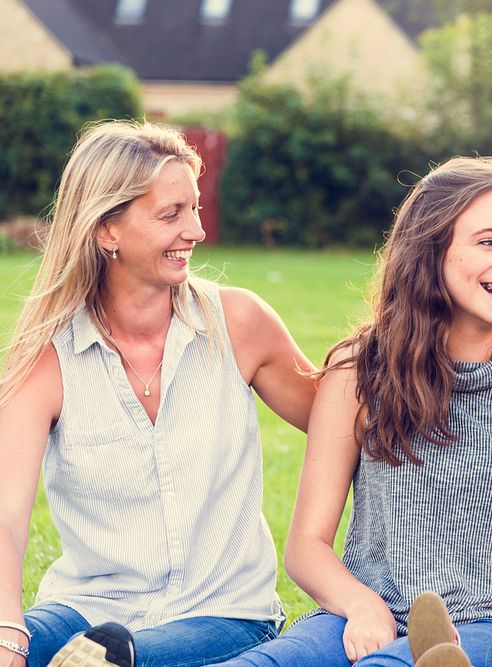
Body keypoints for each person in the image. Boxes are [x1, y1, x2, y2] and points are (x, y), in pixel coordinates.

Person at [211, 156, 492, 667]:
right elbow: (307, 546)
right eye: (489, 242)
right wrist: (363, 607)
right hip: (361, 615)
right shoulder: (359, 374)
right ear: (432, 251)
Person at [0, 121, 317, 667]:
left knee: (114, 659)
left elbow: (346, 422)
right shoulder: (46, 357)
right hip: (87, 605)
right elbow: (5, 517)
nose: (195, 230)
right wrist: (7, 630)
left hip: (224, 614)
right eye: (171, 214)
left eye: (194, 208)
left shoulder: (239, 322)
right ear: (107, 231)